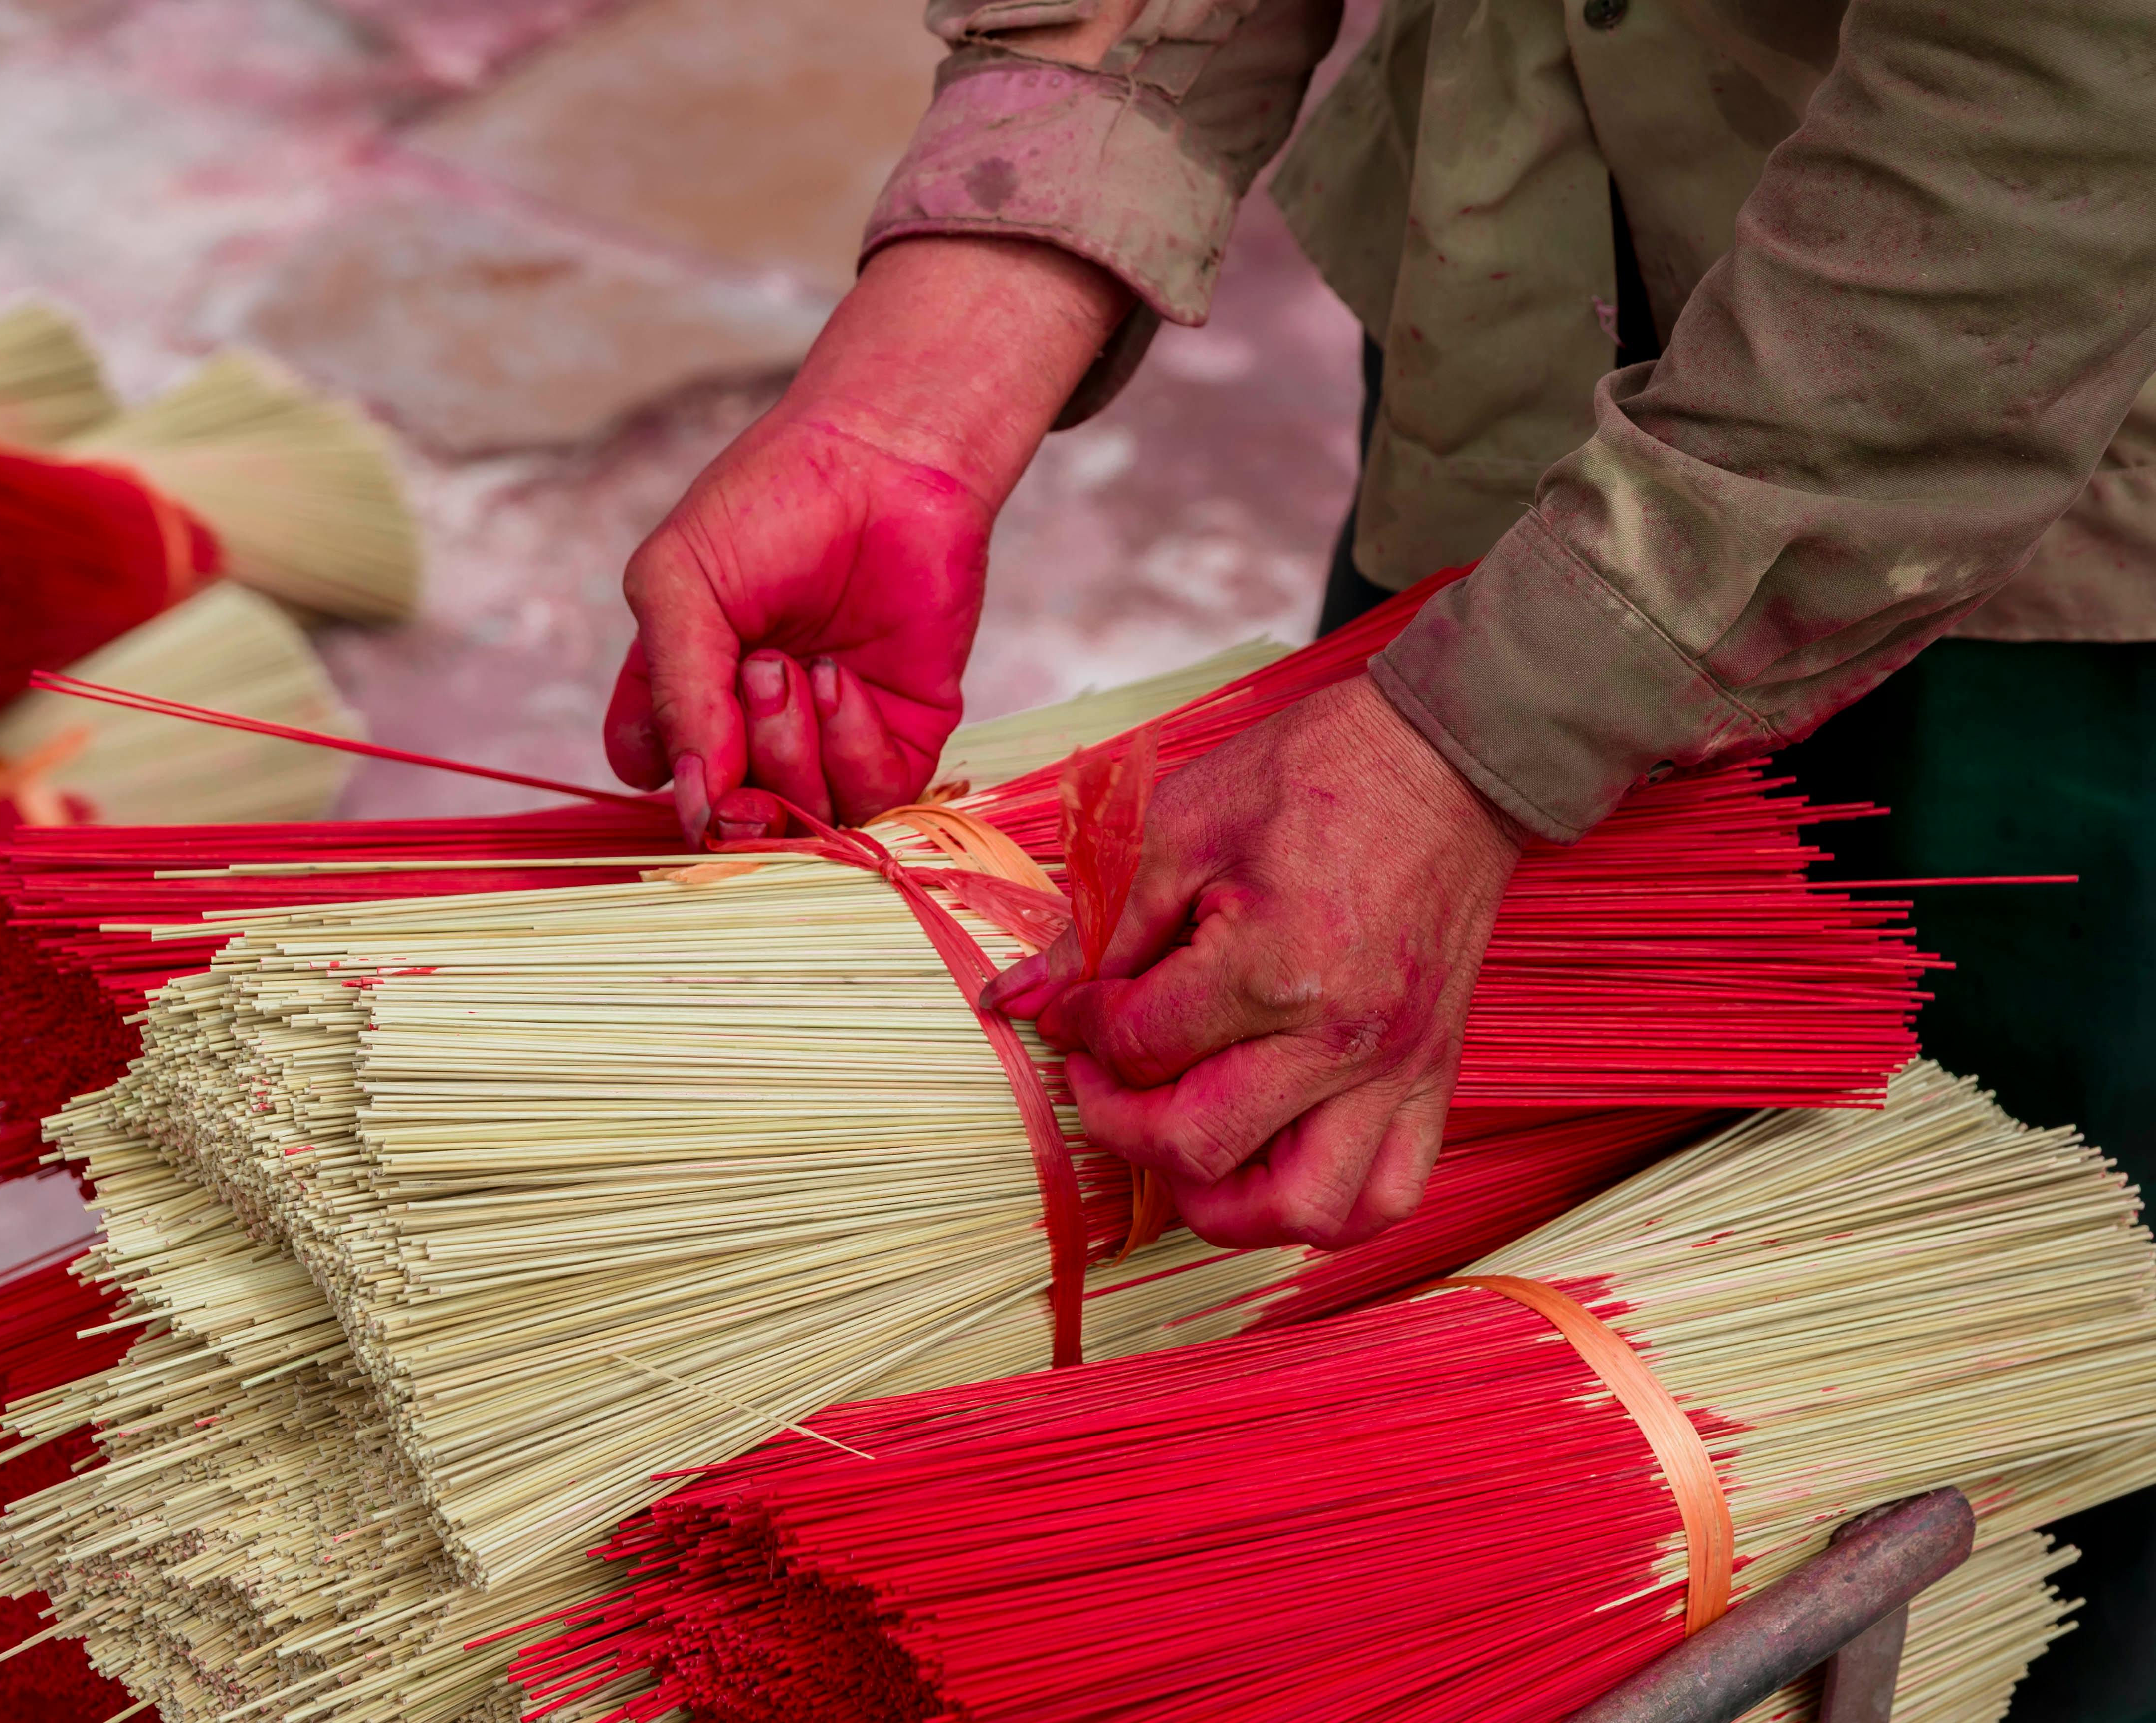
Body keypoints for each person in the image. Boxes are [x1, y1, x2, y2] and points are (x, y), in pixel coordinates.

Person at [600, 3, 2156, 1713]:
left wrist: (1478, 743)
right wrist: (946, 351)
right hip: (1532, 266)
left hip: (2065, 489)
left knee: (2012, 1385)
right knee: (1318, 1227)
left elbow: (2068, 104)